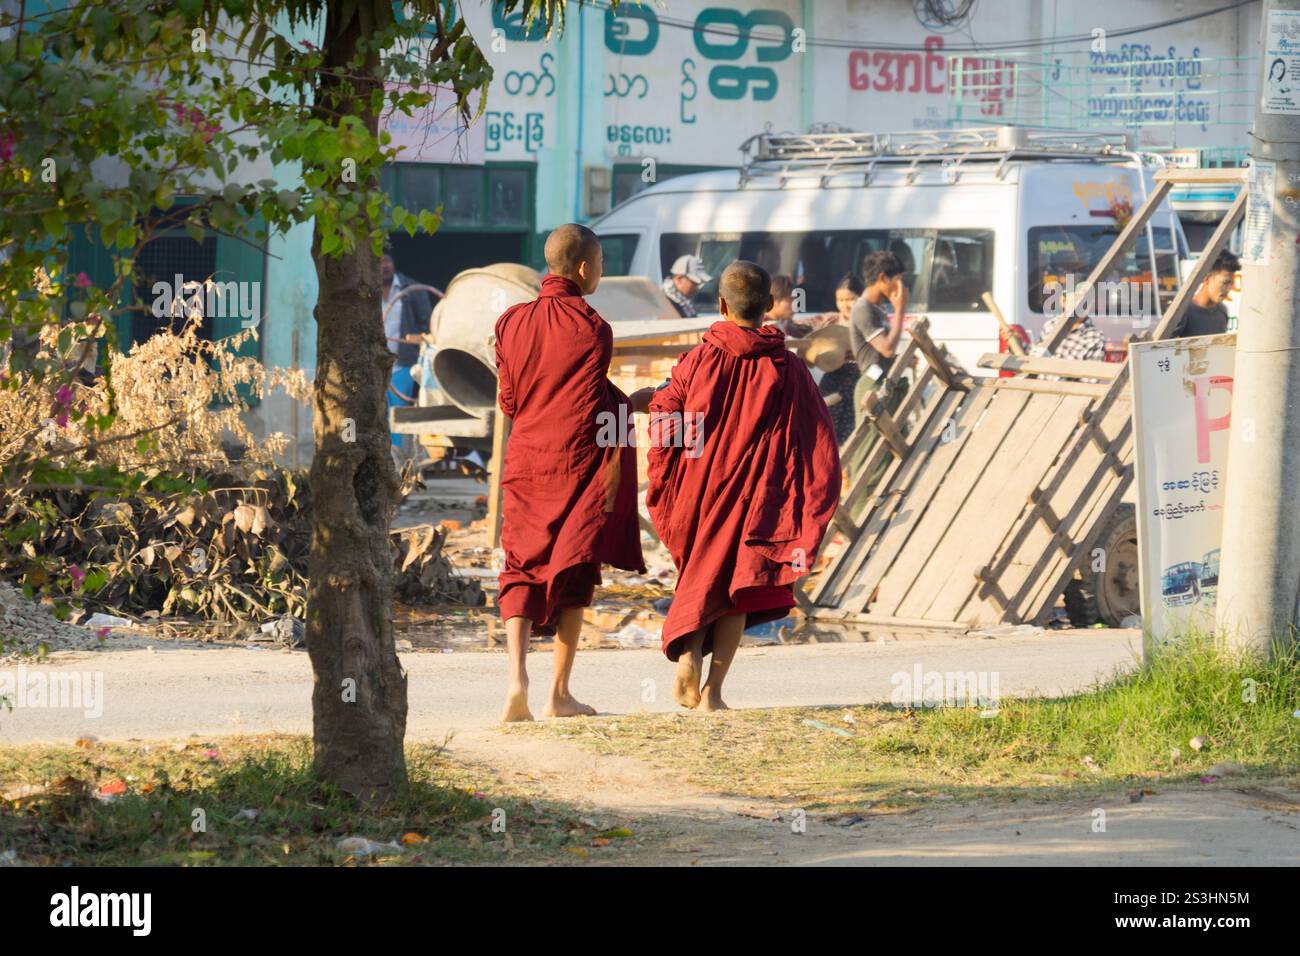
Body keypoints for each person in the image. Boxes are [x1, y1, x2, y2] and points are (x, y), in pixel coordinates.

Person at [646, 260, 841, 711]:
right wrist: (810, 494)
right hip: (758, 498)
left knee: (698, 574)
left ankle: (689, 652)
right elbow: (816, 436)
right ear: (770, 306)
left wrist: (653, 416)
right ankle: (714, 693)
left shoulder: (699, 358)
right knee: (738, 590)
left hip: (700, 489)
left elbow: (669, 415)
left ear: (720, 304)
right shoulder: (787, 366)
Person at [493, 223, 646, 722]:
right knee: (575, 569)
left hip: (525, 461)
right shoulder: (593, 326)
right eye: (600, 264)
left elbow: (510, 400)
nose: (601, 272)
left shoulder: (510, 322)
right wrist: (633, 406)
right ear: (583, 268)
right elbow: (590, 405)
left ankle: (516, 681)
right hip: (574, 466)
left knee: (519, 565)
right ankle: (558, 694)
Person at [381, 248, 435, 448]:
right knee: (376, 413)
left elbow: (427, 324)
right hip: (376, 364)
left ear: (392, 263)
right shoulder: (366, 294)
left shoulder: (411, 290)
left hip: (402, 363)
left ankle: (398, 457)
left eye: (386, 260)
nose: (383, 266)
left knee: (399, 412)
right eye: (378, 262)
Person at [849, 250, 908, 425]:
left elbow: (884, 354)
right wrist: (900, 310)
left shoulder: (877, 308)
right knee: (870, 451)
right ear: (883, 278)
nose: (901, 287)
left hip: (884, 385)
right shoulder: (863, 309)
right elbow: (887, 350)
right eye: (898, 281)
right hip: (872, 389)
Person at [818, 273, 864, 445]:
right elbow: (805, 329)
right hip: (833, 375)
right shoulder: (831, 320)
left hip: (856, 376)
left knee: (849, 424)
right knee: (823, 418)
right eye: (841, 300)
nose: (845, 305)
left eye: (850, 299)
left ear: (861, 297)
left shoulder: (867, 319)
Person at [1172, 251, 1239, 338]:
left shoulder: (1222, 311)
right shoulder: (1184, 312)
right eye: (1225, 283)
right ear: (1207, 279)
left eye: (1231, 284)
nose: (1229, 289)